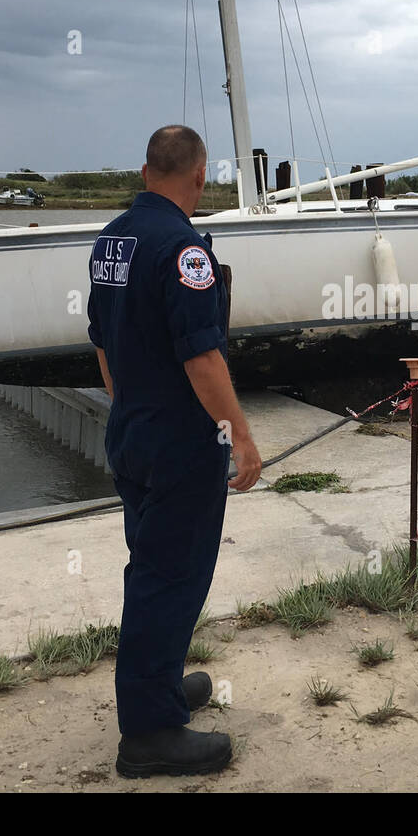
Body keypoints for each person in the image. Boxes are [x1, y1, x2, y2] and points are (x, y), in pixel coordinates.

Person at [87, 124, 262, 778]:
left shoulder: (114, 239)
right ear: (198, 176)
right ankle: (150, 732)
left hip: (131, 430)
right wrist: (240, 435)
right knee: (171, 576)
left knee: (152, 565)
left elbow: (101, 338)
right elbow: (202, 357)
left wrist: (128, 401)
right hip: (179, 443)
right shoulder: (184, 250)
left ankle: (157, 686)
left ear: (144, 168)